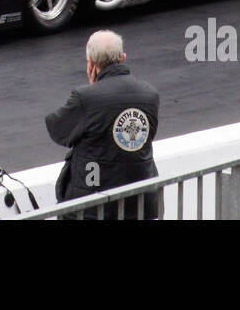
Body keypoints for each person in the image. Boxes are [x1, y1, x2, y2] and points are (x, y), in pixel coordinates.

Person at [45, 30, 160, 219]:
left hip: (92, 207)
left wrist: (93, 90)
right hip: (141, 204)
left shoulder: (85, 98)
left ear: (91, 63)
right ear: (123, 58)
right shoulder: (150, 95)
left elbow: (57, 128)